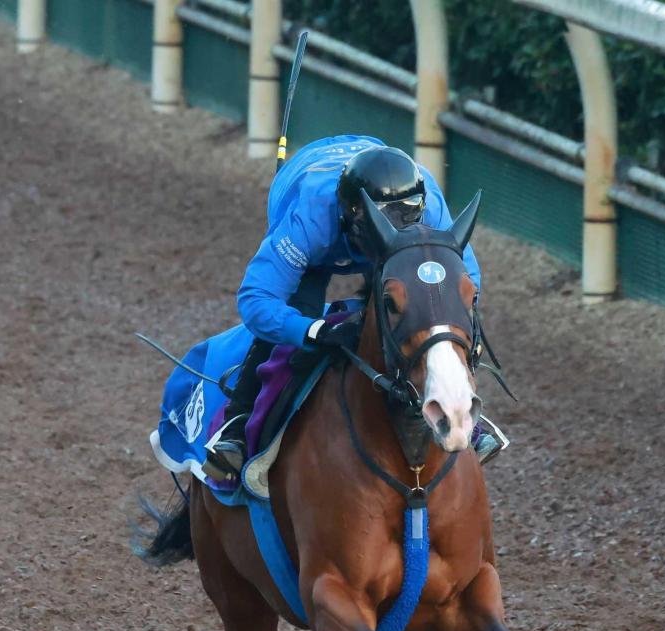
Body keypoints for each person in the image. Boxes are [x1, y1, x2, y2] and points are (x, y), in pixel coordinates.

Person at [205, 134, 502, 479]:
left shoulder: (431, 209)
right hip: (313, 226)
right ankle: (237, 425)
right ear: (350, 217)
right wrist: (315, 330)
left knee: (439, 313)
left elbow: (467, 285)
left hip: (392, 233)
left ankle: (464, 411)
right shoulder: (310, 216)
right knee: (297, 316)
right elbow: (257, 301)